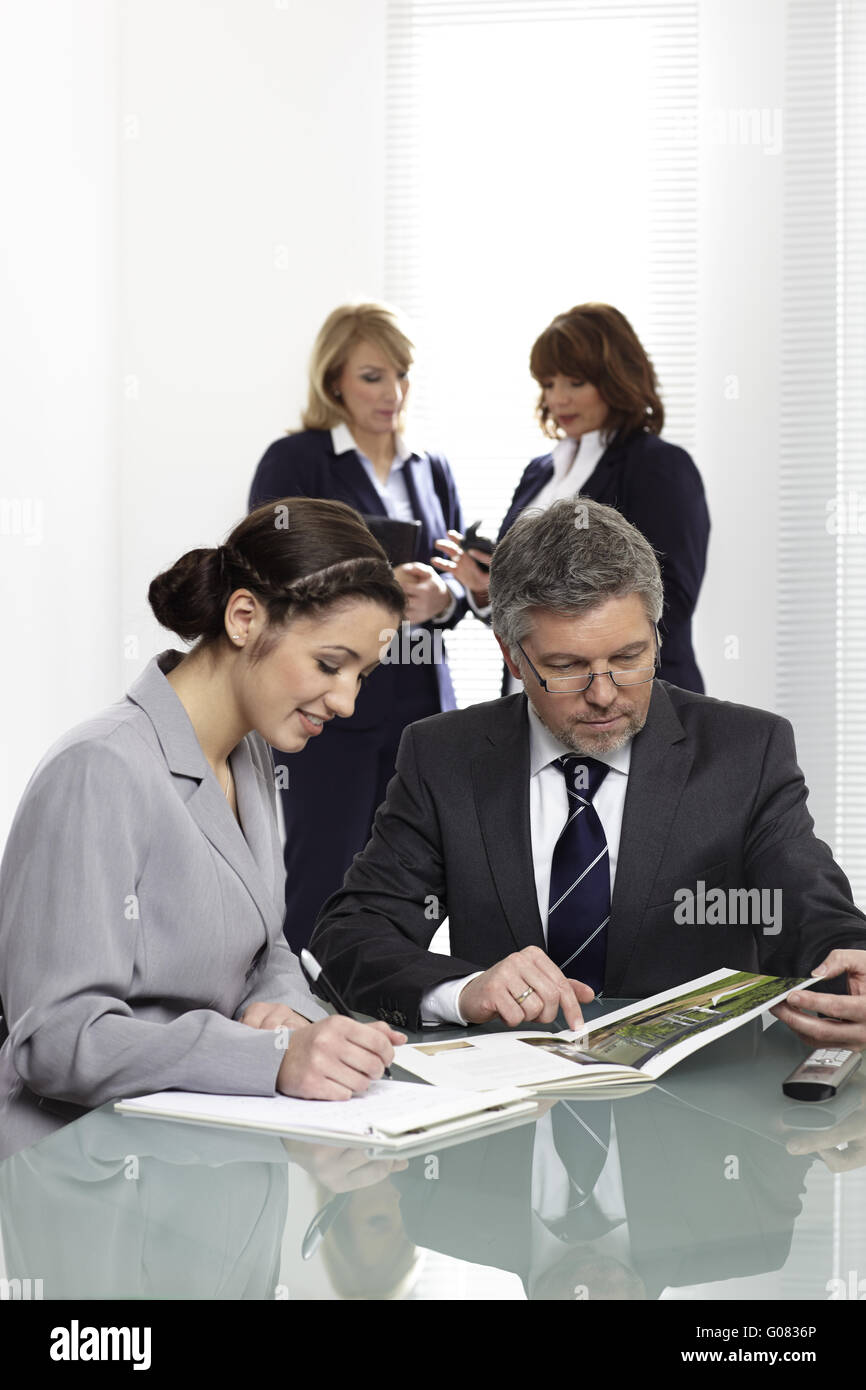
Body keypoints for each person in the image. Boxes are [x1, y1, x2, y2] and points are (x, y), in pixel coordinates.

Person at [309, 498, 866, 1053]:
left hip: (697, 1100)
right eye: (566, 667)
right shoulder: (442, 756)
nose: (603, 695)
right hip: (511, 1108)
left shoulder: (746, 750)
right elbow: (353, 935)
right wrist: (462, 990)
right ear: (511, 656)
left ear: (656, 633)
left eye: (628, 657)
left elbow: (807, 903)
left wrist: (850, 953)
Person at [0, 497, 407, 1116]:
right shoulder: (99, 767)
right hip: (89, 1171)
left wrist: (287, 1012)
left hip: (207, 1157)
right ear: (244, 617)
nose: (347, 702)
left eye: (364, 676)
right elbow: (55, 1039)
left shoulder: (252, 757)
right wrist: (267, 1058)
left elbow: (264, 946)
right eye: (330, 664)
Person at [249, 302, 468, 952]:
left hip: (423, 705)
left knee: (415, 877)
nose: (392, 392)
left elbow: (458, 576)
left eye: (401, 374)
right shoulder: (297, 461)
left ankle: (387, 998)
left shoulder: (432, 467)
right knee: (322, 871)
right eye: (373, 376)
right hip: (333, 706)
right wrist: (370, 589)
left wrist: (444, 597)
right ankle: (297, 1012)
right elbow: (268, 569)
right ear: (334, 380)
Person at [432, 302, 710, 693]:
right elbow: (522, 616)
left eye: (574, 383)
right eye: (548, 384)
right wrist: (484, 586)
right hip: (535, 698)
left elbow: (670, 604)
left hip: (631, 697)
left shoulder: (659, 466)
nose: (557, 399)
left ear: (616, 379)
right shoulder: (539, 472)